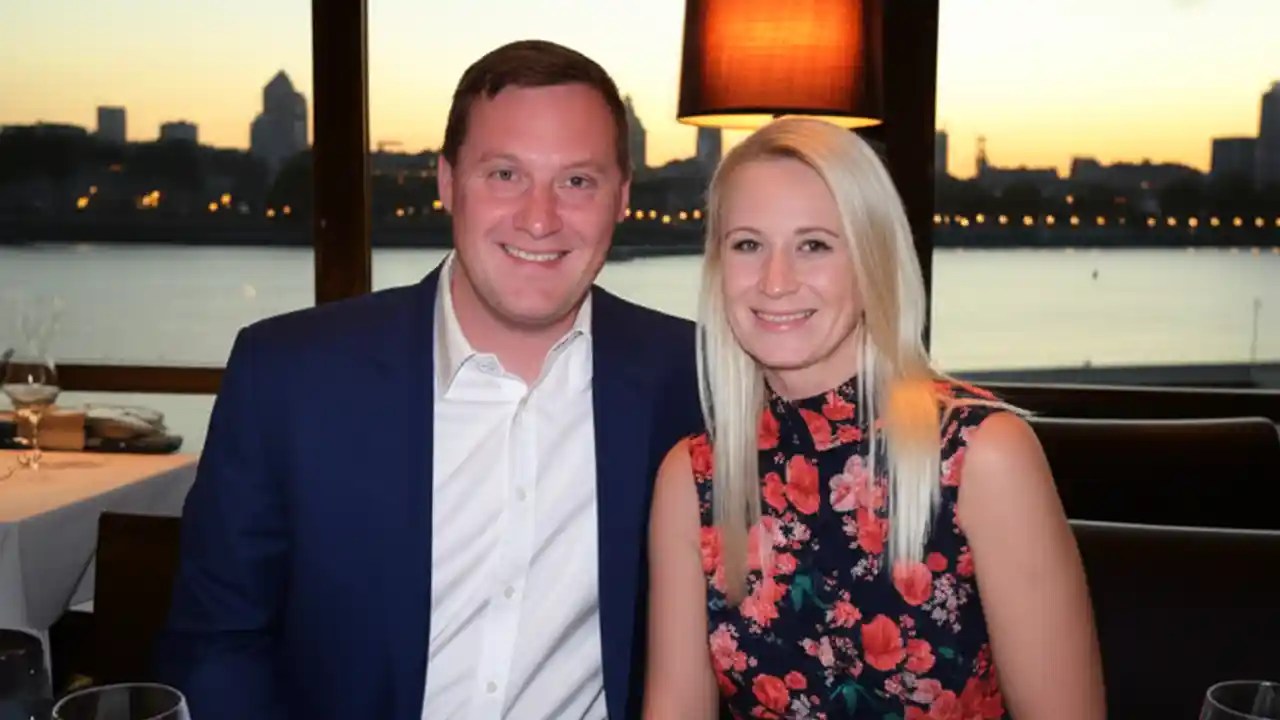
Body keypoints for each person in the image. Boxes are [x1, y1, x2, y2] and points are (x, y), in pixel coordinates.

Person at [156, 40, 702, 720]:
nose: (540, 217)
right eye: (504, 174)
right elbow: (218, 646)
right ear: (446, 181)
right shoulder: (289, 379)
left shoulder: (694, 378)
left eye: (577, 181)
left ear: (621, 197)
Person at [642, 118, 1105, 719]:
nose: (776, 282)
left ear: (873, 261)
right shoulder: (695, 475)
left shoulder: (981, 455)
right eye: (748, 244)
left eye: (815, 244)